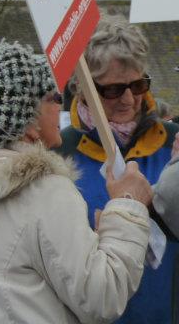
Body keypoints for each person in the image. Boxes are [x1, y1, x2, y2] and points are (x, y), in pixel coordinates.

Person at [0, 41, 152, 324]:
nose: (61, 104)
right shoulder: (45, 192)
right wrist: (128, 207)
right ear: (26, 119)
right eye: (54, 97)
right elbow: (102, 298)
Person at [58, 16, 179, 323]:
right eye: (113, 90)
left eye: (138, 85)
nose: (128, 99)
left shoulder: (172, 144)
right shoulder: (60, 154)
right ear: (83, 88)